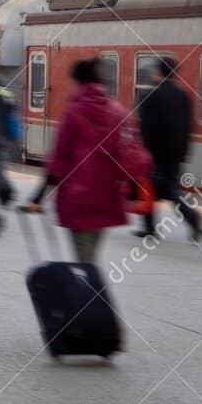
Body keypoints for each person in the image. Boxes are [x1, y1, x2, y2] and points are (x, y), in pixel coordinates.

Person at [23, 57, 147, 265]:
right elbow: (129, 157)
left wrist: (38, 197)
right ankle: (91, 291)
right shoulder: (119, 113)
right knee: (90, 258)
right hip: (108, 195)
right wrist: (134, 191)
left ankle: (90, 294)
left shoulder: (74, 113)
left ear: (78, 82)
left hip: (77, 197)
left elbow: (58, 159)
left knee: (84, 260)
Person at [136, 56, 200, 241]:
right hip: (176, 154)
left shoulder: (150, 96)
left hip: (154, 154)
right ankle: (186, 218)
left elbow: (146, 130)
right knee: (167, 188)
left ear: (157, 72)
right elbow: (189, 126)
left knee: (153, 189)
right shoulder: (184, 96)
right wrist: (184, 152)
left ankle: (152, 227)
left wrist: (143, 152)